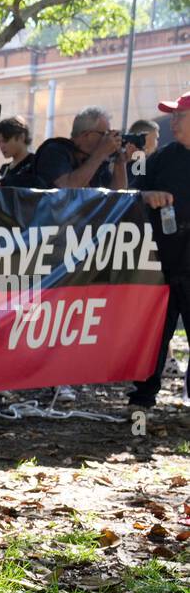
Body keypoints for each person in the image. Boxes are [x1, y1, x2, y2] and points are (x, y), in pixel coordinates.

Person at [130, 90, 190, 410]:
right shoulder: (164, 156)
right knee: (154, 336)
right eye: (173, 115)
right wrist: (148, 194)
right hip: (163, 265)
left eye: (180, 115)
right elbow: (133, 191)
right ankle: (141, 401)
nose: (173, 121)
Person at [33, 106, 130, 190]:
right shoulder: (54, 151)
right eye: (104, 134)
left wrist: (120, 162)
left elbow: (116, 197)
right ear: (87, 135)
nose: (108, 139)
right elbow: (67, 188)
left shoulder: (95, 160)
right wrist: (100, 154)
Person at [0, 115, 37, 187]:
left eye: (5, 141)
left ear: (21, 137)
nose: (1, 146)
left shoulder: (35, 164)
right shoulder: (4, 169)